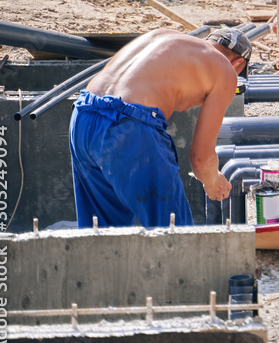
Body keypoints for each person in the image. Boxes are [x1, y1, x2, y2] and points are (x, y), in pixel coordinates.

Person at [68, 27, 251, 228]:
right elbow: (200, 158)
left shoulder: (164, 38)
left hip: (83, 115)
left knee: (102, 235)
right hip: (129, 129)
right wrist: (212, 181)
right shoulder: (225, 69)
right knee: (175, 236)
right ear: (238, 63)